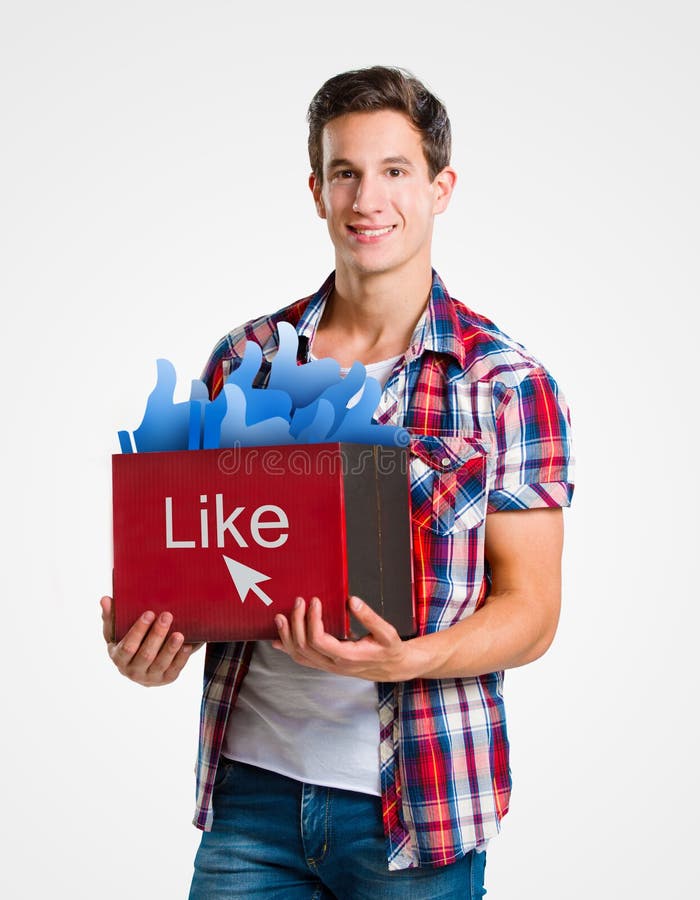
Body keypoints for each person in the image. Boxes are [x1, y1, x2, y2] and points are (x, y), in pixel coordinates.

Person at [101, 65, 574, 899]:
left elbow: (532, 612)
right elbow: (208, 557)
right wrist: (154, 642)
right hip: (250, 799)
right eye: (346, 173)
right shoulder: (246, 359)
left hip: (417, 810)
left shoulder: (505, 384)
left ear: (441, 188)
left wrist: (408, 660)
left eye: (395, 171)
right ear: (317, 190)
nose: (369, 199)